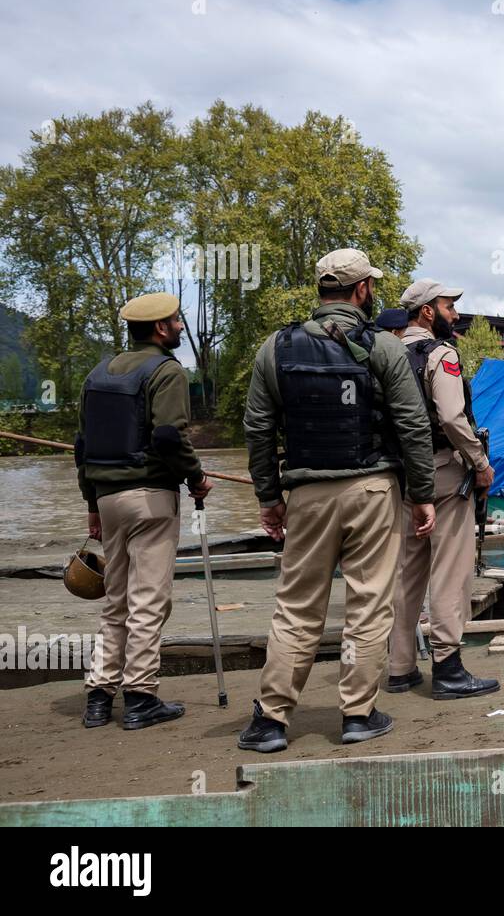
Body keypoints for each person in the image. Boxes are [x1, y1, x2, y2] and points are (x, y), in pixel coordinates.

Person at [237, 248, 438, 753]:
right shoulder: (384, 348)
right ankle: (357, 715)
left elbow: (257, 427)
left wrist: (268, 495)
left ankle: (271, 721)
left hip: (305, 493)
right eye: (372, 284)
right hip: (372, 489)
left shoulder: (275, 348)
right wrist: (422, 495)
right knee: (368, 606)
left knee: (296, 608)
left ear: (321, 291)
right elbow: (413, 426)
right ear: (362, 290)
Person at [75, 292, 213, 731]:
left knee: (116, 599)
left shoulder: (97, 374)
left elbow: (82, 448)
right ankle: (140, 697)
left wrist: (91, 504)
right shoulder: (167, 371)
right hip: (150, 496)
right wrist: (195, 478)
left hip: (107, 499)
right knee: (148, 600)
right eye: (176, 321)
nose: (180, 327)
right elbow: (170, 436)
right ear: (160, 328)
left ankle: (99, 697)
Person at [387, 278, 499, 699]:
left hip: (400, 478)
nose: (455, 314)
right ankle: (448, 667)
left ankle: (400, 667)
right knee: (451, 570)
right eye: (449, 306)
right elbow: (453, 418)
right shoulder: (440, 354)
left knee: (406, 573)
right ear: (428, 311)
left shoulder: (387, 352)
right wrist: (481, 463)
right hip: (442, 475)